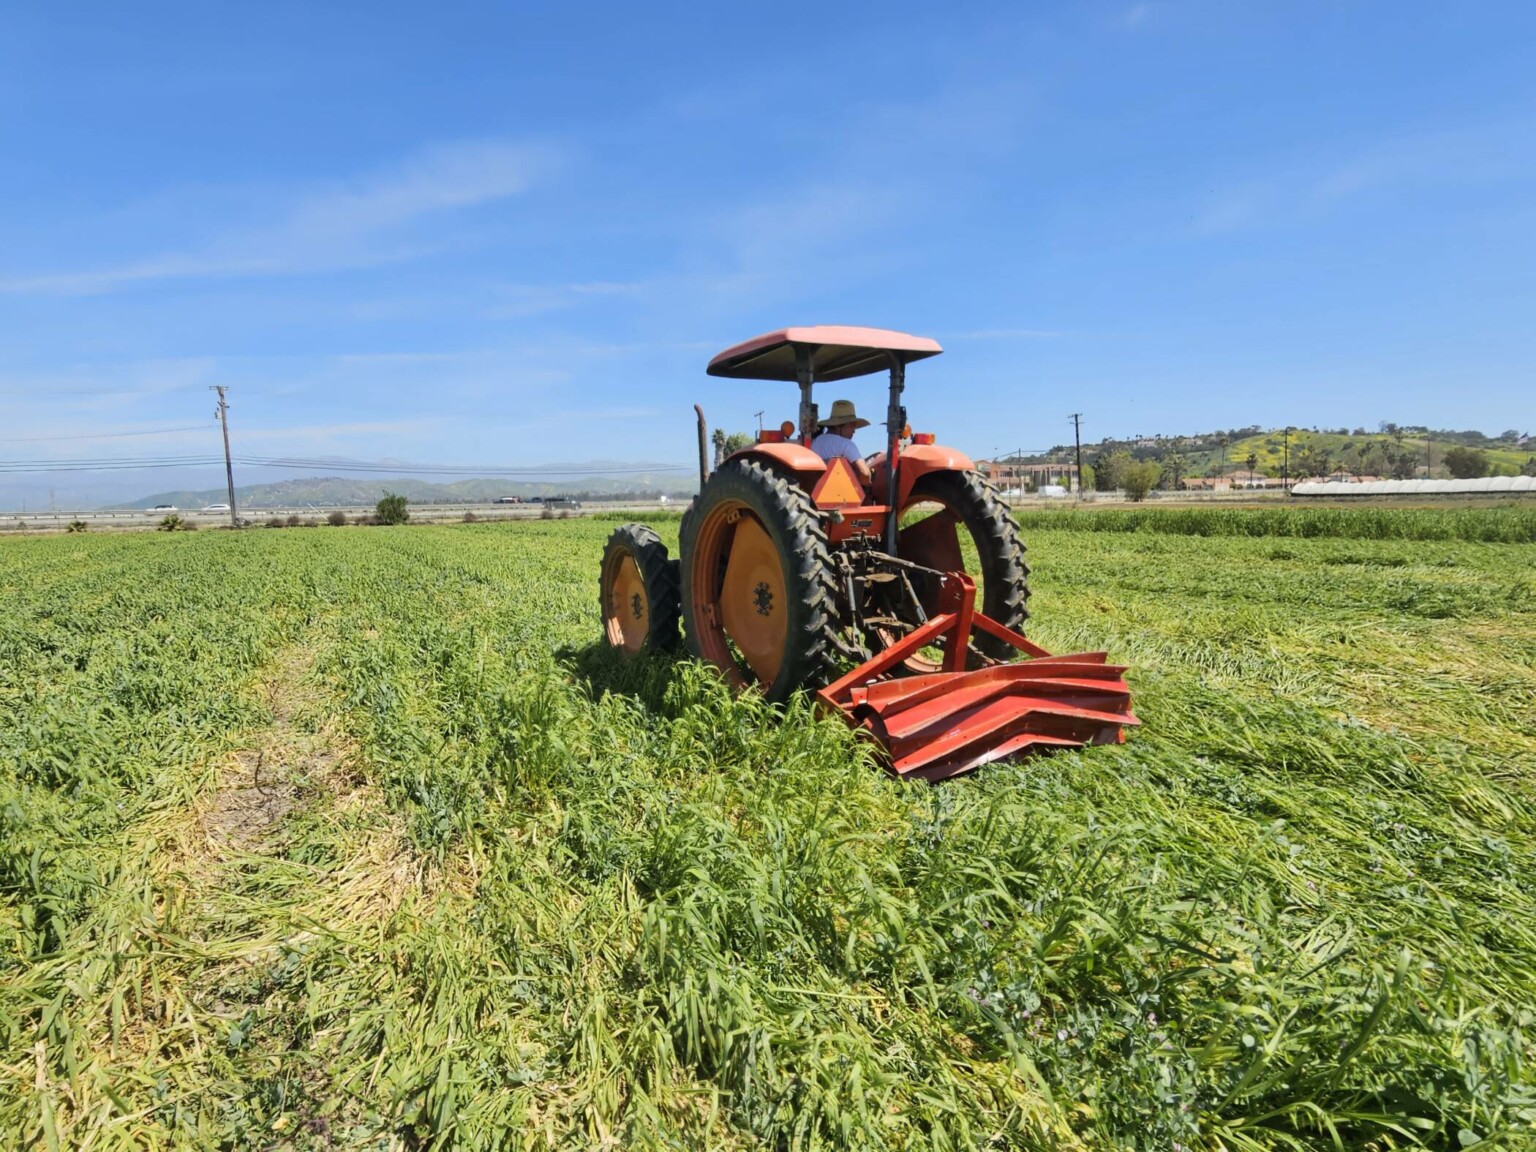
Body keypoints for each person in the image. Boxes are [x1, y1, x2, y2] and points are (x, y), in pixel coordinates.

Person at [810, 399, 874, 485]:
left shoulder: (814, 442)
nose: (854, 431)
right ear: (839, 425)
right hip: (840, 496)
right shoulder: (846, 445)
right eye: (851, 426)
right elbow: (865, 474)